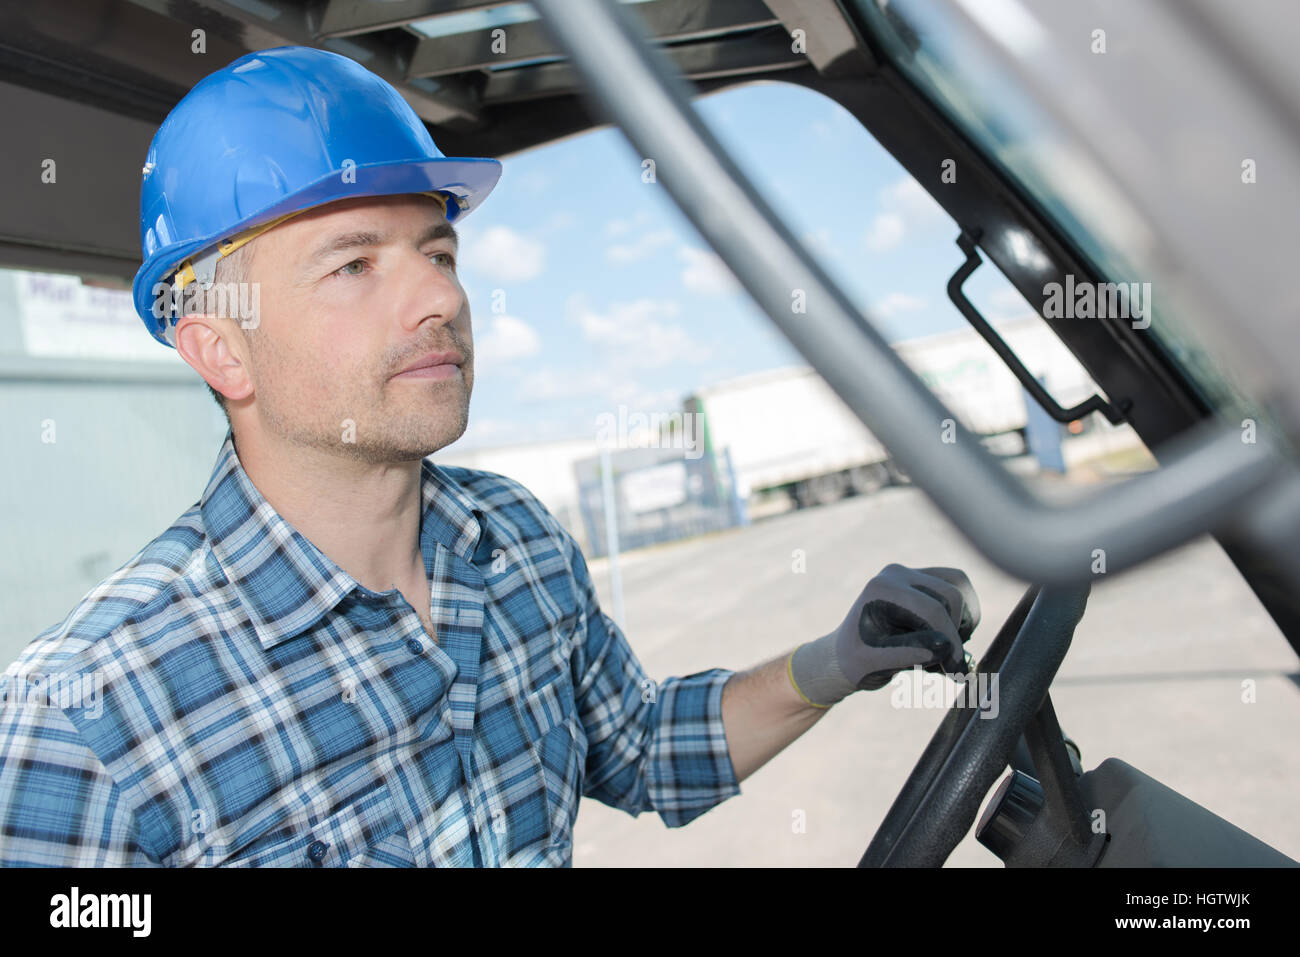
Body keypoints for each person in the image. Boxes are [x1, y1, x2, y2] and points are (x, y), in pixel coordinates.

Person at [0, 46, 979, 867]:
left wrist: (832, 662)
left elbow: (640, 750)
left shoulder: (513, 538)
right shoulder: (78, 729)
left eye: (436, 253)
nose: (438, 299)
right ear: (220, 346)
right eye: (353, 264)